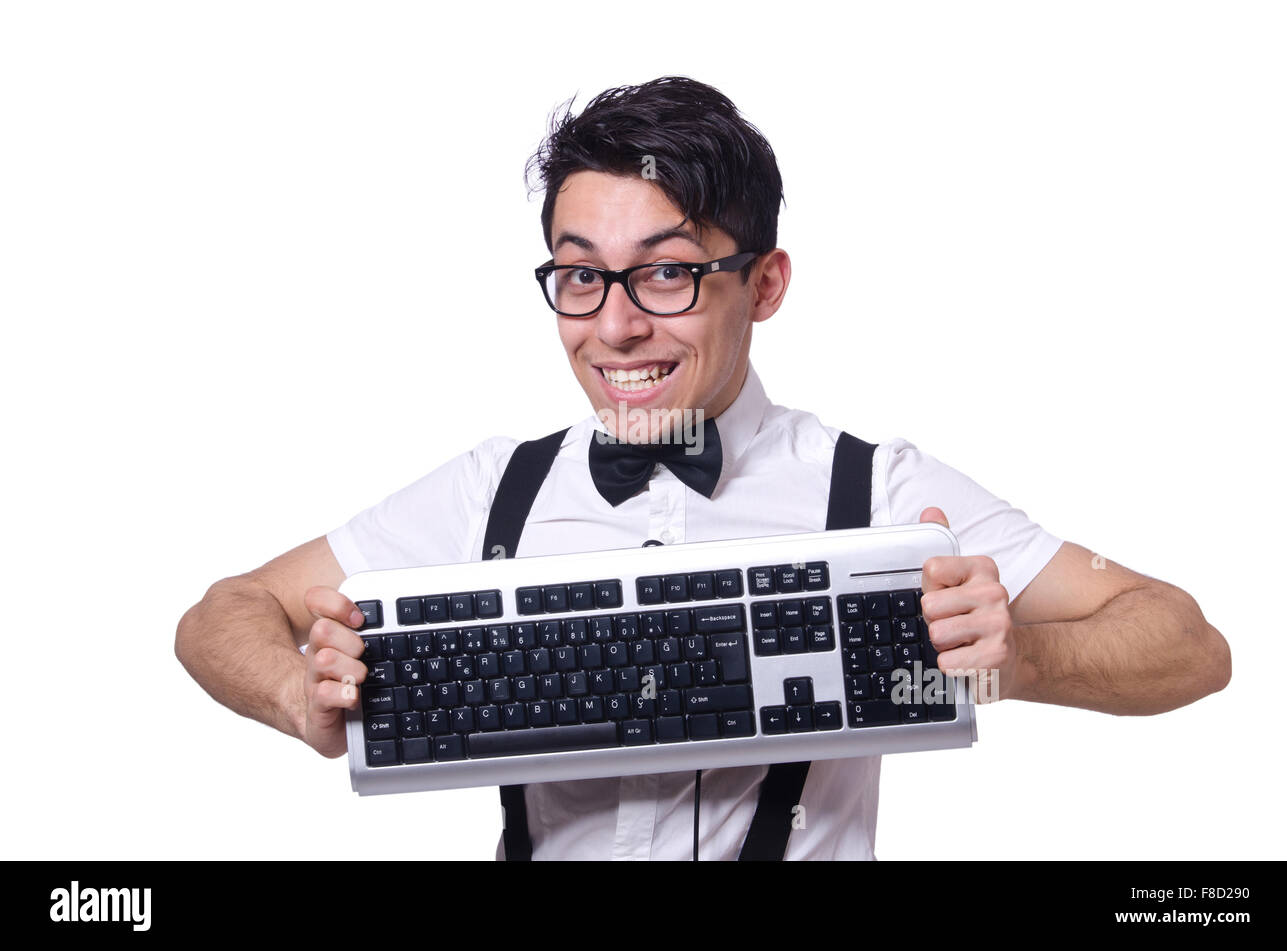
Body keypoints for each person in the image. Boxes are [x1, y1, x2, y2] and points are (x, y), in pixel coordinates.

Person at [175, 76, 1231, 860]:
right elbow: (222, 611)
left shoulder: (879, 491)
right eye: (581, 278)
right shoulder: (490, 492)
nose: (616, 328)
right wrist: (294, 695)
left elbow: (1188, 645)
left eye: (668, 274)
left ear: (764, 283)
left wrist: (1014, 662)